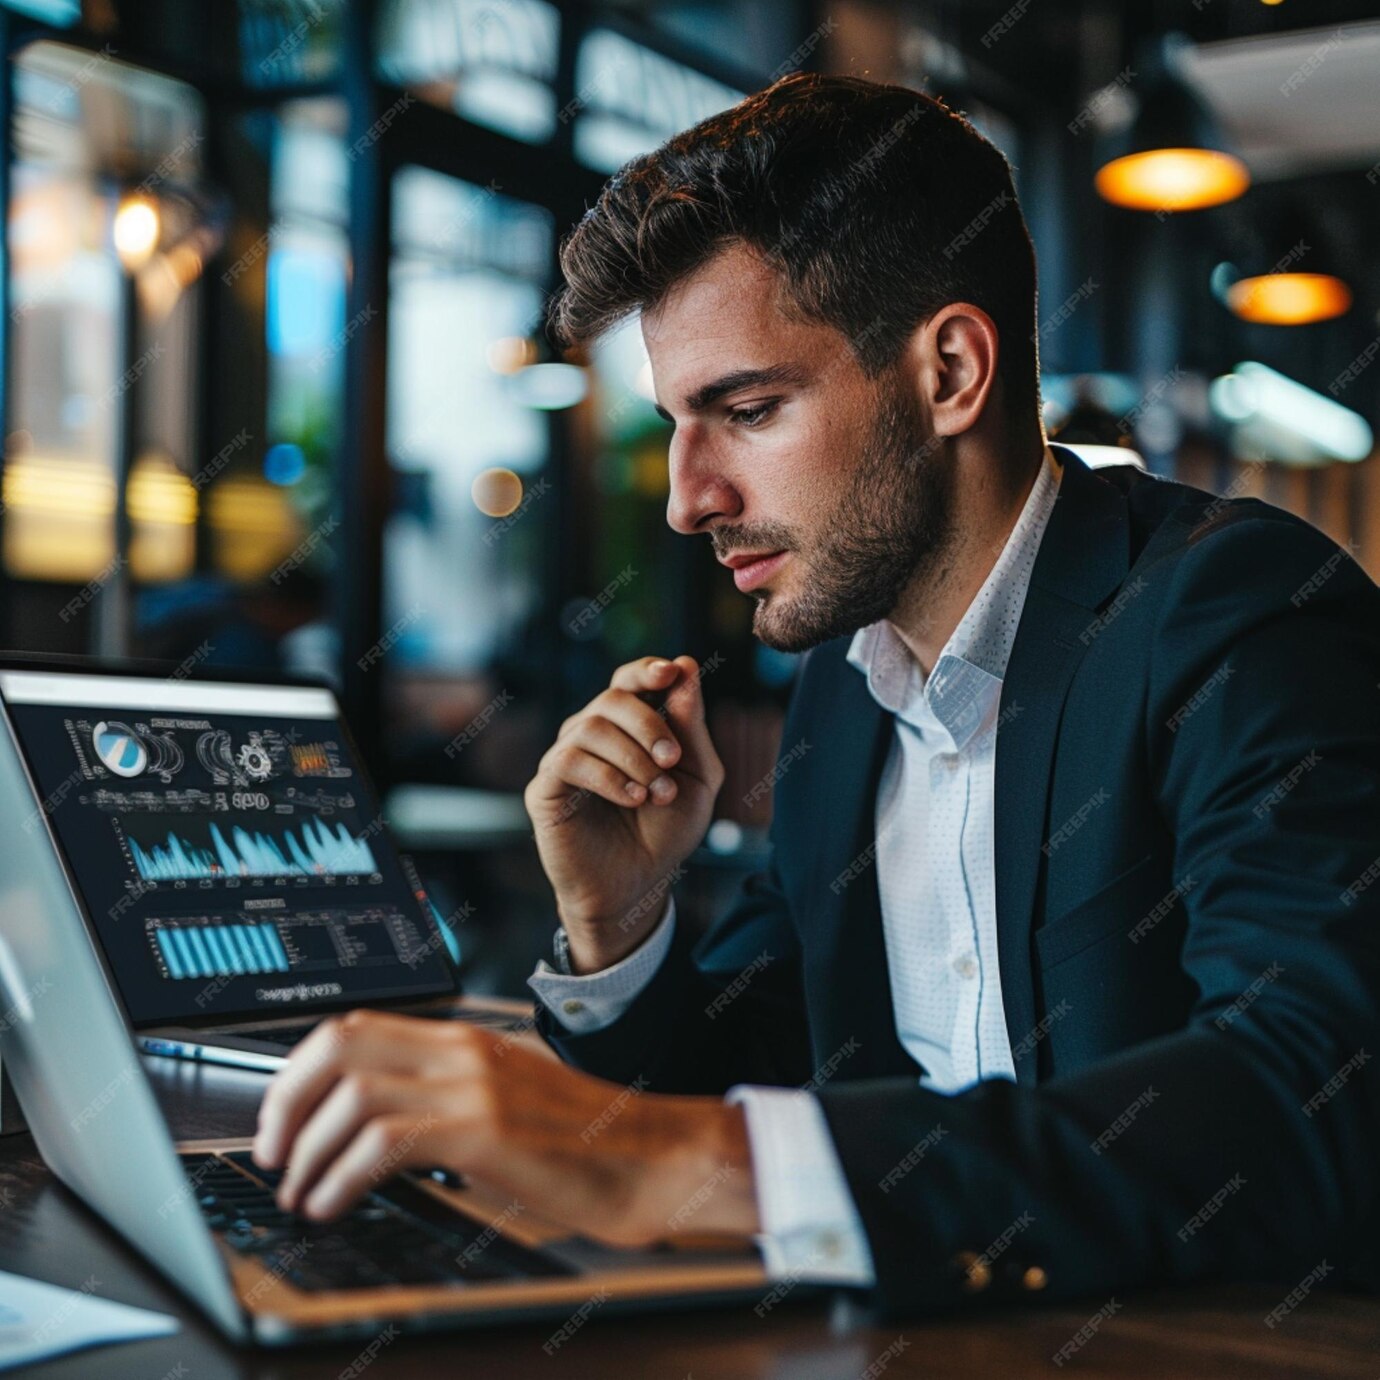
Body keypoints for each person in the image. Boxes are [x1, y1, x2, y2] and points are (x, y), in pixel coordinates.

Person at [253, 73, 1380, 1318]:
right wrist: (617, 926)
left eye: (746, 410)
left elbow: (1311, 1096)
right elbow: (743, 1081)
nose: (687, 499)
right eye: (682, 422)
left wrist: (668, 1162)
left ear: (950, 370)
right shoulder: (847, 689)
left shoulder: (1237, 614)